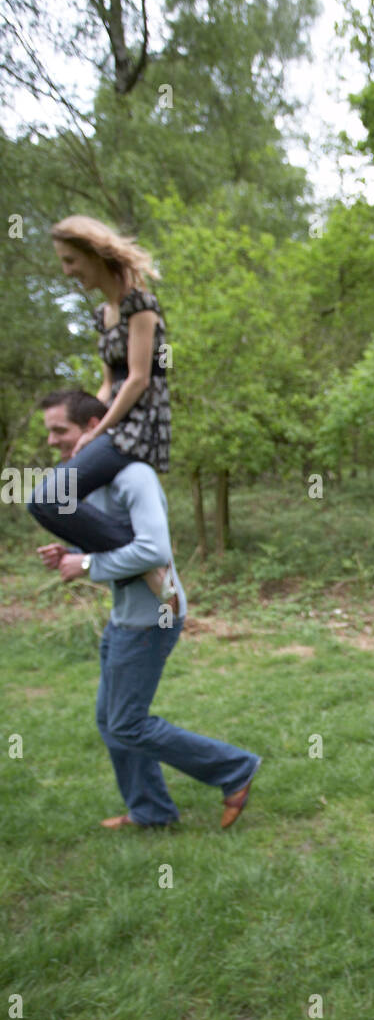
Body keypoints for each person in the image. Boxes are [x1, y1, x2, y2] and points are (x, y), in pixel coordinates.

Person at [35, 391, 260, 830]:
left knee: (127, 724)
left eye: (60, 430)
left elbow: (153, 550)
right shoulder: (91, 484)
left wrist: (84, 565)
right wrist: (72, 550)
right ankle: (151, 811)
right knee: (110, 721)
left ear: (95, 426)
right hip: (124, 618)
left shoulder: (134, 476)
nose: (51, 441)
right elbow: (112, 539)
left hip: (151, 619)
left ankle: (234, 769)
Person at [28, 215, 172, 600]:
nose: (67, 270)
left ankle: (145, 558)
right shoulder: (103, 314)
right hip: (114, 421)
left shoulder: (141, 305)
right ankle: (138, 556)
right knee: (50, 497)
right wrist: (90, 430)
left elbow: (139, 378)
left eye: (71, 260)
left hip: (141, 424)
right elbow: (109, 383)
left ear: (94, 254)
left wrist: (98, 431)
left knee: (45, 498)